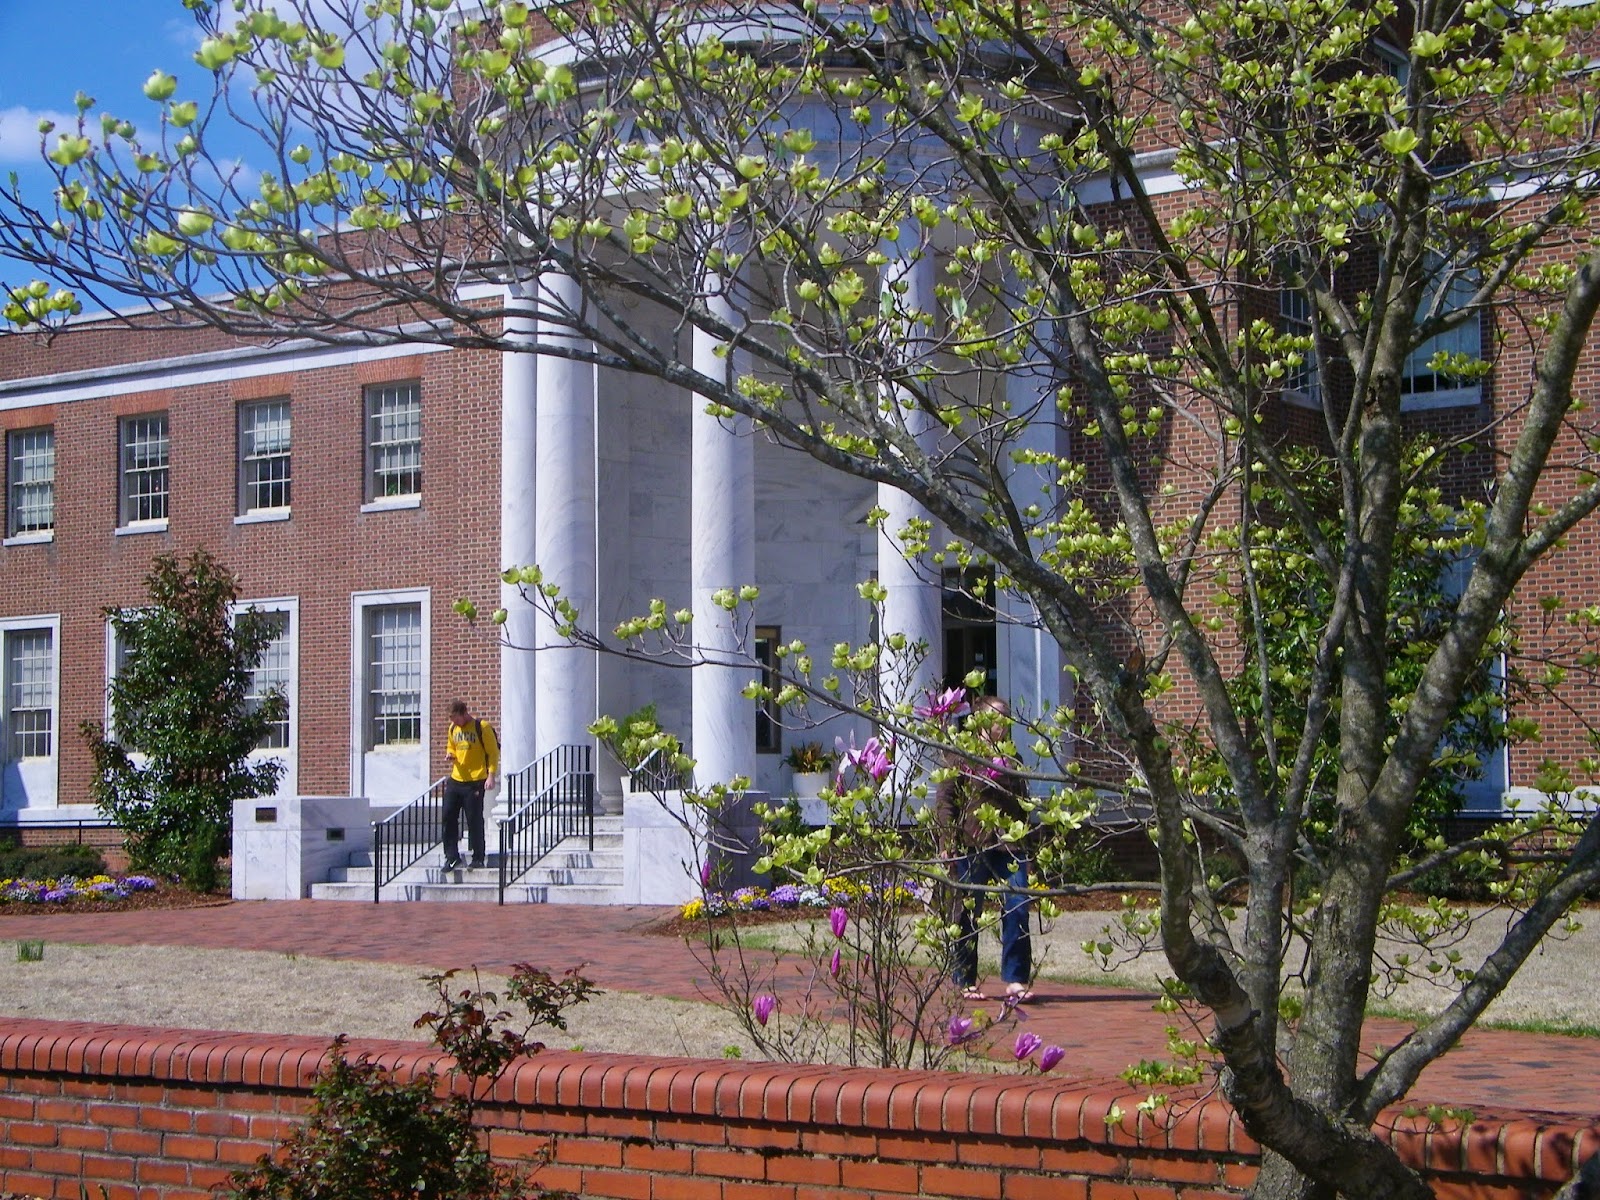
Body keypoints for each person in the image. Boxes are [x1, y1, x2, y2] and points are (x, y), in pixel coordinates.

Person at [934, 695, 1034, 1002]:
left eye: (1005, 718)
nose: (1001, 725)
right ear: (978, 720)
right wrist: (947, 842)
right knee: (967, 911)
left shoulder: (1012, 759)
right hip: (971, 843)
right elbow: (945, 801)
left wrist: (1027, 845)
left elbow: (1023, 806)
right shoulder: (961, 756)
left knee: (1018, 905)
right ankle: (965, 978)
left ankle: (1016, 978)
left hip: (1010, 847)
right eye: (995, 718)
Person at [442, 699, 498, 870]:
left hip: (475, 780)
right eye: (452, 719)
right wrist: (450, 754)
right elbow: (451, 746)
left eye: (456, 718)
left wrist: (491, 776)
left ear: (464, 713)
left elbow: (493, 752)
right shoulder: (453, 729)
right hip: (456, 778)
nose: (454, 722)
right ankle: (452, 856)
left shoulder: (482, 727)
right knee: (448, 816)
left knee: (474, 819)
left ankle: (478, 857)